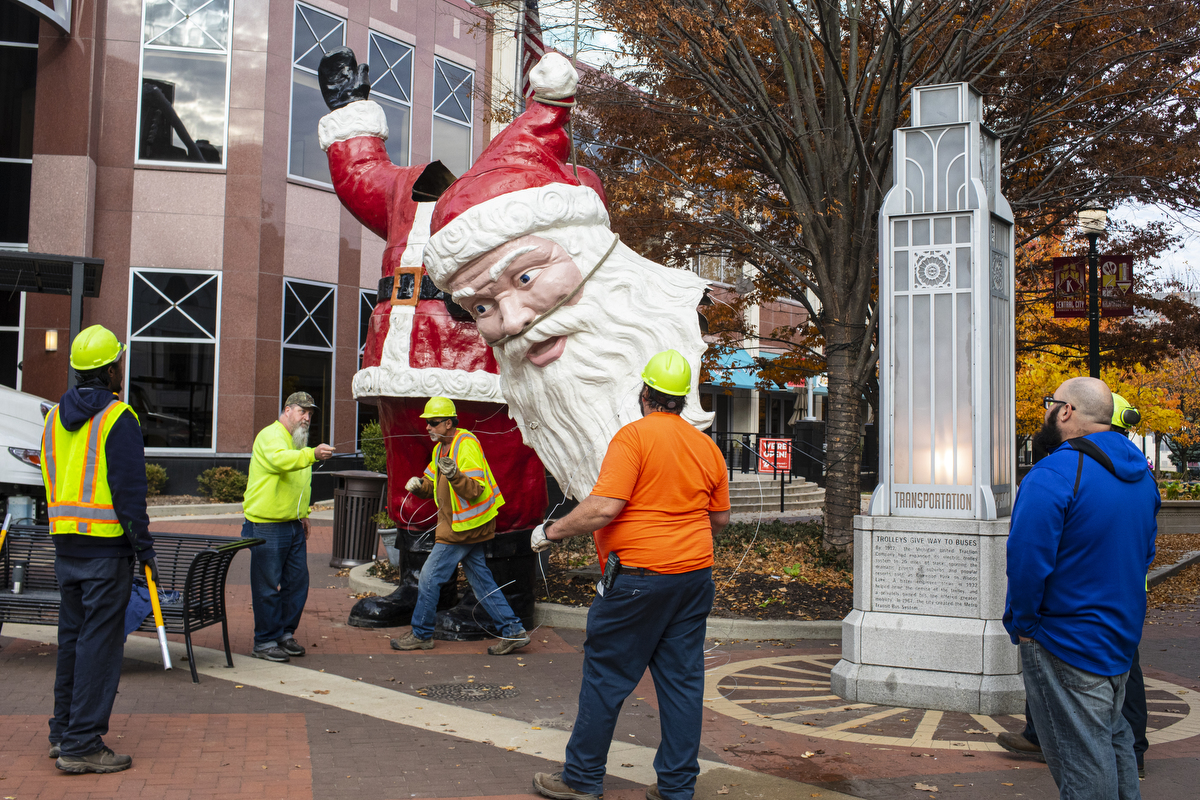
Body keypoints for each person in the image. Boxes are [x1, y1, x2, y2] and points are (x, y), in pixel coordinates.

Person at [419, 53, 713, 500]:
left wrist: (554, 532)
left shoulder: (647, 439)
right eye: (482, 306)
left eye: (525, 278)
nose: (515, 321)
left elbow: (608, 506)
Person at [530, 351, 731, 800]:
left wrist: (550, 531)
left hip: (639, 578)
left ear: (645, 393)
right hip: (693, 577)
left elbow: (604, 508)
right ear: (682, 400)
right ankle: (677, 788)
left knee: (607, 676)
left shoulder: (633, 438)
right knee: (682, 684)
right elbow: (720, 521)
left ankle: (581, 779)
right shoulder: (706, 447)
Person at [1004, 378, 1158, 799]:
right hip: (1120, 636)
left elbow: (1026, 563)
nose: (1046, 412)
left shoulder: (1052, 473)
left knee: (1083, 765)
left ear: (1067, 411)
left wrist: (1024, 623)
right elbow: (1145, 554)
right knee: (1113, 740)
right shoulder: (1143, 478)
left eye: (1049, 403)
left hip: (1063, 639)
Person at [40, 325, 155, 773]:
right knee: (100, 647)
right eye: (118, 363)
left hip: (65, 550)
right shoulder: (118, 417)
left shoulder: (52, 418)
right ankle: (82, 744)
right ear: (111, 369)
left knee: (72, 641)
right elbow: (130, 493)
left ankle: (62, 732)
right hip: (106, 553)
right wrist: (144, 549)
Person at [390, 397, 531, 655]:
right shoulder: (441, 449)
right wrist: (419, 486)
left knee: (429, 579)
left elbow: (475, 490)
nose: (428, 428)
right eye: (427, 423)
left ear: (448, 423)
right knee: (481, 581)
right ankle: (513, 631)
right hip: (466, 525)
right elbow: (431, 482)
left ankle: (421, 633)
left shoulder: (465, 445)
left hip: (461, 528)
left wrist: (454, 474)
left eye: (433, 423)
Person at [242, 392, 335, 662]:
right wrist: (313, 454)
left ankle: (283, 634)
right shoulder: (271, 436)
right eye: (302, 411)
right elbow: (281, 462)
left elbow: (299, 483)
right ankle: (265, 641)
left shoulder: (297, 442)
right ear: (287, 410)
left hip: (292, 524)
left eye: (310, 413)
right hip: (266, 525)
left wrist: (303, 513)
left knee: (296, 583)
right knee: (267, 586)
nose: (307, 417)